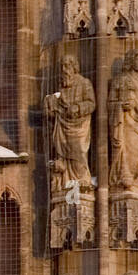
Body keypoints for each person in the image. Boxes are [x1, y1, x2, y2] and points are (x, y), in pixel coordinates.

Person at [44, 56, 94, 194]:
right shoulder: (62, 87)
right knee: (63, 153)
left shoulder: (84, 83)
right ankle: (67, 181)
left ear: (74, 67)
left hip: (78, 126)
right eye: (62, 67)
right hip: (62, 126)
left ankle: (80, 180)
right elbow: (56, 111)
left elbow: (91, 103)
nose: (64, 70)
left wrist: (77, 108)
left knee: (78, 152)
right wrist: (51, 104)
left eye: (67, 66)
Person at [109, 50, 138, 197]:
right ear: (131, 61)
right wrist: (120, 105)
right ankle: (124, 178)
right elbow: (111, 102)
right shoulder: (121, 79)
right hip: (126, 120)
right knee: (126, 149)